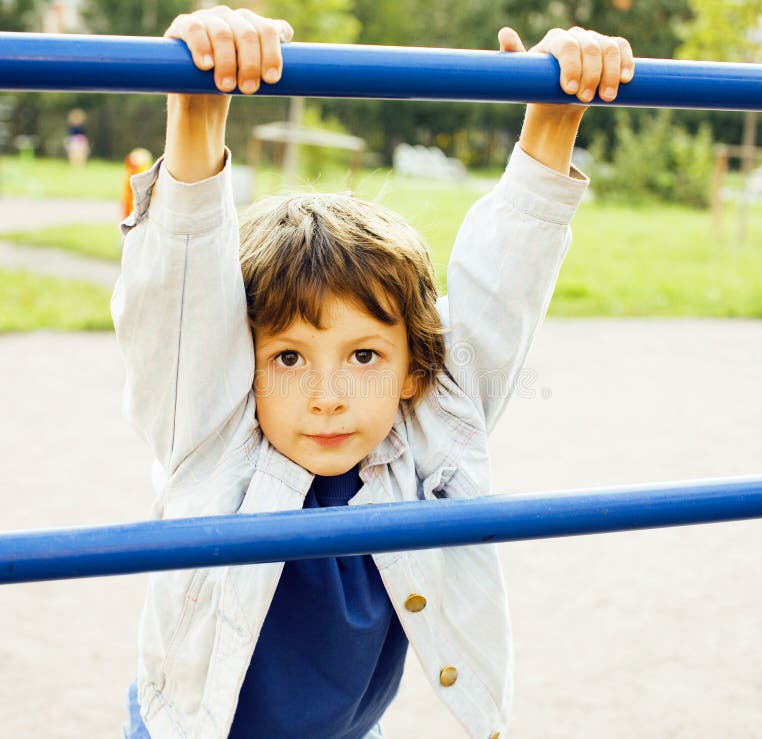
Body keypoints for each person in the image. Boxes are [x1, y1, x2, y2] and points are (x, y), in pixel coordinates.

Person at [112, 7, 634, 738]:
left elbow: (501, 291)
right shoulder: (211, 434)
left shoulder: (429, 428)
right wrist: (199, 108)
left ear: (415, 370)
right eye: (288, 358)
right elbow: (181, 298)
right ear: (241, 364)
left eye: (364, 356)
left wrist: (553, 121)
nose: (329, 397)